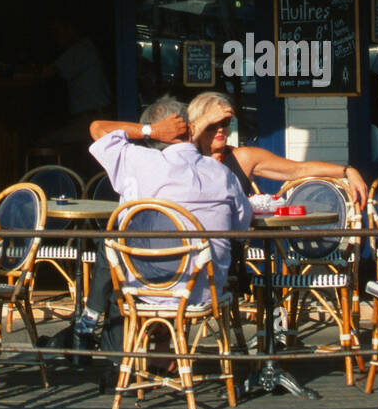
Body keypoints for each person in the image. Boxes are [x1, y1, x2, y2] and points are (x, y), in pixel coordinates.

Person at [72, 96, 251, 351]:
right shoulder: (221, 172)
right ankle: (158, 353)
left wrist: (151, 131)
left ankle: (111, 353)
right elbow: (240, 229)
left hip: (148, 289)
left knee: (116, 252)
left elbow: (97, 129)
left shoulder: (140, 162)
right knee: (119, 249)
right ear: (190, 130)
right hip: (204, 291)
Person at [186, 91, 368, 210]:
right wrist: (205, 119)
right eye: (212, 125)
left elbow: (299, 169)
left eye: (224, 123)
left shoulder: (242, 157)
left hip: (227, 246)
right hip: (189, 243)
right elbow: (172, 148)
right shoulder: (183, 157)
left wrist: (346, 171)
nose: (220, 129)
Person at [39, 18, 113, 146]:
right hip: (95, 117)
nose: (57, 38)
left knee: (45, 141)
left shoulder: (80, 50)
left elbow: (47, 72)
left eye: (58, 32)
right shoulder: (86, 47)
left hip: (91, 120)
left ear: (70, 29)